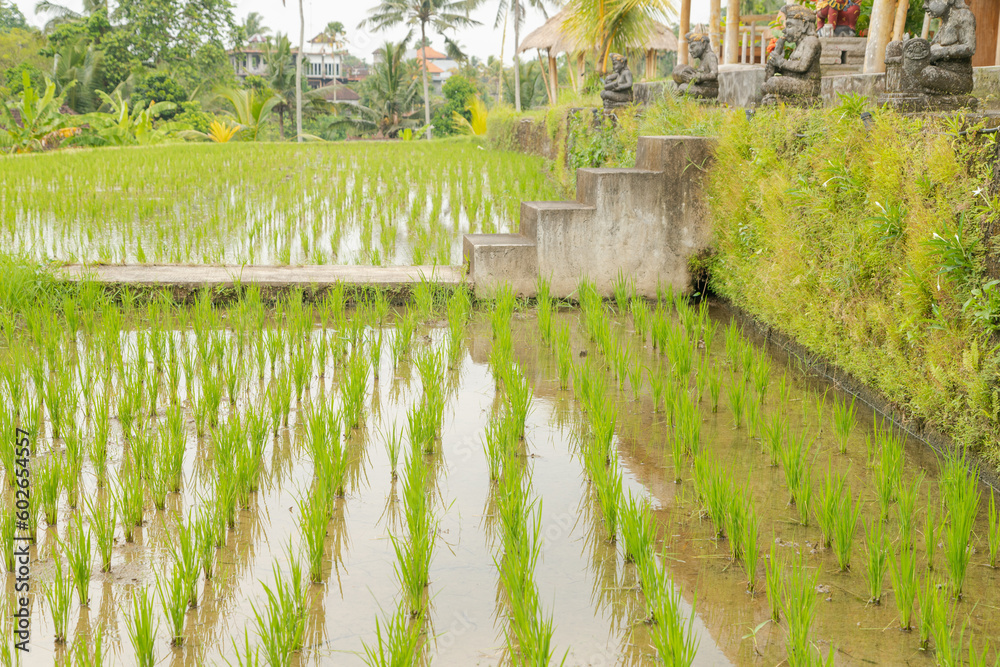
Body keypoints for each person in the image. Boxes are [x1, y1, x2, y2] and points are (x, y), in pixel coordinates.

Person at [761, 5, 822, 101]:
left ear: (804, 25)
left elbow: (802, 66)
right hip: (796, 81)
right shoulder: (798, 44)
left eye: (789, 26)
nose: (784, 30)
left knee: (773, 83)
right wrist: (775, 67)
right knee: (764, 86)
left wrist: (781, 62)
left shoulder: (811, 41)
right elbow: (790, 71)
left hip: (808, 85)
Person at [672, 33, 719, 99]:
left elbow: (714, 74)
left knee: (683, 87)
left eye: (692, 47)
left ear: (704, 44)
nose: (690, 51)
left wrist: (700, 77)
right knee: (679, 85)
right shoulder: (702, 59)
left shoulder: (710, 56)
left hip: (710, 89)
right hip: (702, 87)